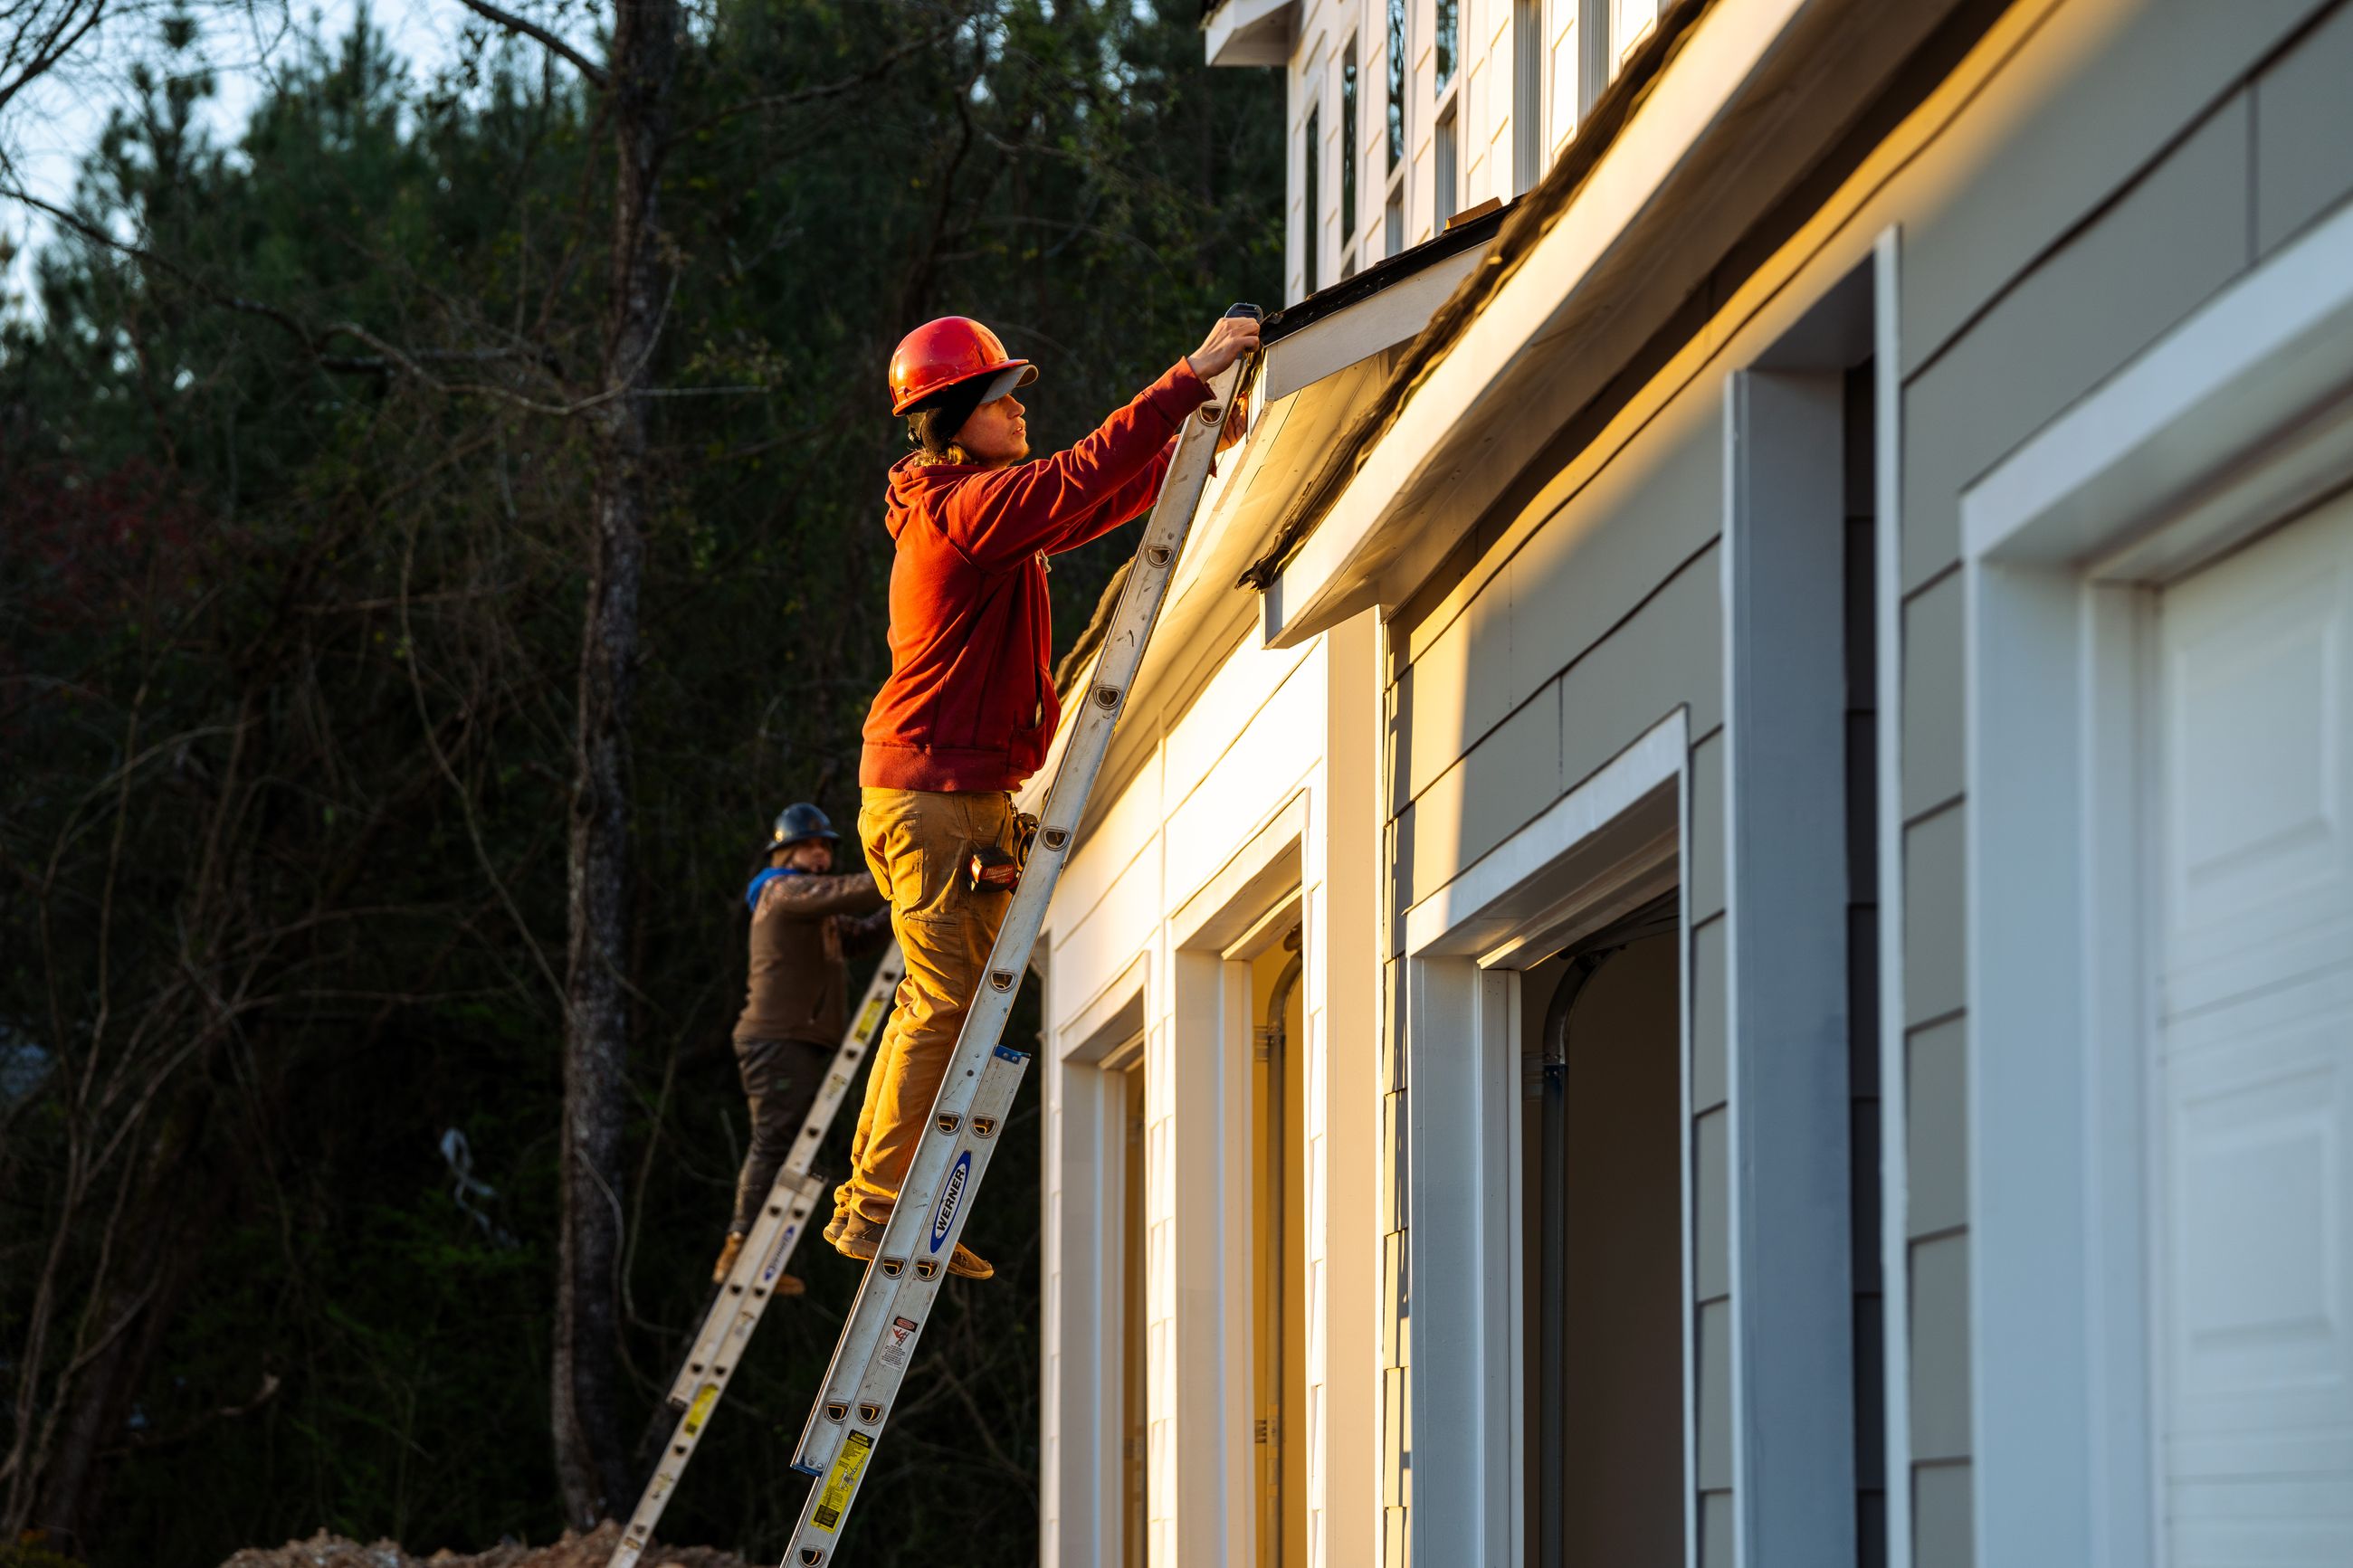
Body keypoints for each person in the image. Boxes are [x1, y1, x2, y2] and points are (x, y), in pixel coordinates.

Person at [827, 310, 1261, 1279]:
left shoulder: (978, 508)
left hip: (960, 794)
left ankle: (885, 1196)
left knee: (962, 996)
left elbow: (1077, 508)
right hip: (930, 799)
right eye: (999, 399)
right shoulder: (958, 511)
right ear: (948, 417)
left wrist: (1188, 452)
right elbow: (1065, 481)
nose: (1019, 410)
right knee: (943, 1002)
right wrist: (1186, 380)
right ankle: (871, 1210)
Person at [715, 802, 892, 1287]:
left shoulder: (818, 914)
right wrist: (908, 869)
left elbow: (862, 934)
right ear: (784, 853)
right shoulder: (782, 891)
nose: (819, 855)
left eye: (824, 848)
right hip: (776, 1038)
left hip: (799, 1039)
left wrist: (901, 905)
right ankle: (737, 1248)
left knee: (797, 1149)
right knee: (775, 1140)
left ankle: (763, 1260)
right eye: (808, 846)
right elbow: (845, 891)